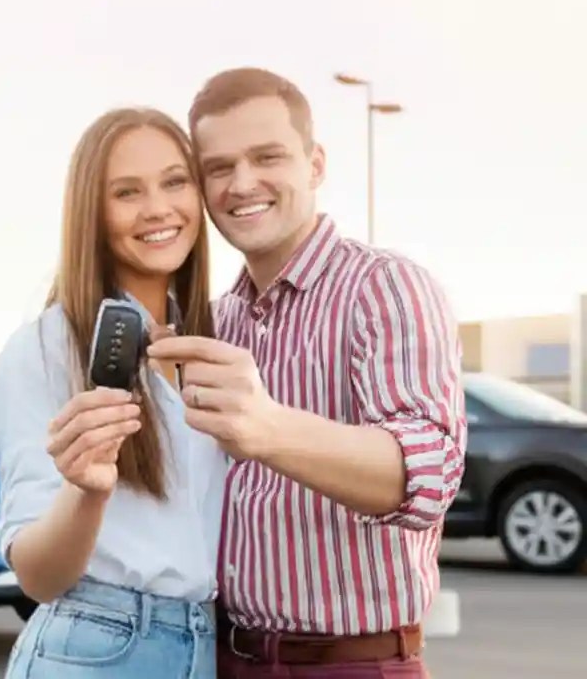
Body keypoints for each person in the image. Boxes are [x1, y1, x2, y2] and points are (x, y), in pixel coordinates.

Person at [148, 67, 466, 678]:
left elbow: (430, 475)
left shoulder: (386, 287)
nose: (243, 184)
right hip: (222, 658)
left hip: (351, 665)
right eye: (219, 167)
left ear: (315, 164)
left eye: (267, 156)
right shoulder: (213, 324)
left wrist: (266, 428)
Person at [0, 106, 230, 678]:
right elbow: (37, 577)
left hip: (201, 646)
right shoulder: (43, 351)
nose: (158, 209)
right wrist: (87, 491)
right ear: (92, 213)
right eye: (127, 192)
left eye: (175, 182)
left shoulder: (208, 348)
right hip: (96, 649)